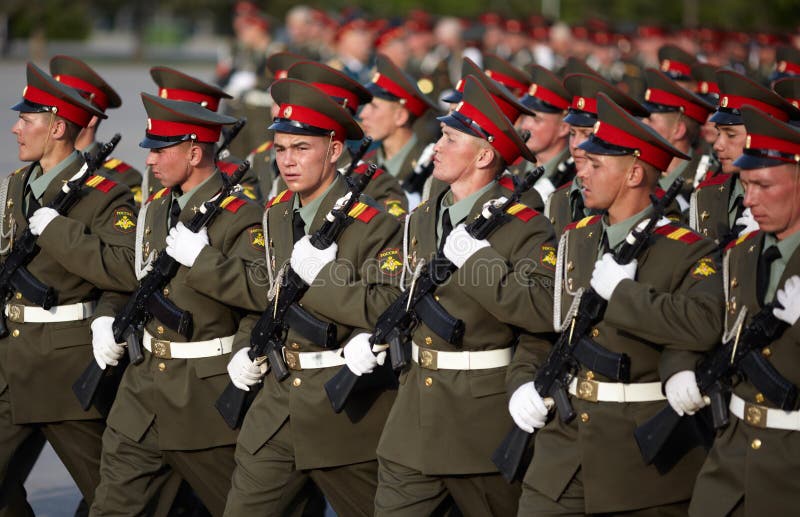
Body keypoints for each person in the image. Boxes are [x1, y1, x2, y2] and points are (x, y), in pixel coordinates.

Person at [515, 92, 724, 515]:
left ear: (632, 175)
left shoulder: (688, 250)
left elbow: (703, 326)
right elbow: (549, 325)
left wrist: (625, 295)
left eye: (595, 165)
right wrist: (521, 380)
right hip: (562, 452)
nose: (582, 171)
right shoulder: (578, 236)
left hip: (636, 459)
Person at [373, 75, 556, 517]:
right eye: (440, 135)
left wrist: (475, 261)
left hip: (480, 422)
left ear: (484, 154)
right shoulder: (422, 217)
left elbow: (544, 310)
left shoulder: (525, 226)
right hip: (413, 417)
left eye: (449, 138)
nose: (435, 145)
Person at [223, 79, 403, 517]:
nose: (287, 160)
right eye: (281, 148)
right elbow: (272, 298)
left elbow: (387, 306)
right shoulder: (278, 214)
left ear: (335, 150)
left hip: (342, 409)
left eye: (301, 148)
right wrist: (246, 344)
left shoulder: (374, 223)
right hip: (275, 407)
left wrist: (323, 275)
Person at [89, 93, 267, 516]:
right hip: (141, 393)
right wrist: (106, 316)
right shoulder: (155, 209)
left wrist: (204, 261)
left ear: (193, 151)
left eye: (160, 151)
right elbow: (137, 280)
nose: (149, 162)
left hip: (204, 395)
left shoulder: (241, 214)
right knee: (112, 506)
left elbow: (263, 295)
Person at [0, 62, 137, 514]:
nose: (16, 128)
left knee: (111, 496)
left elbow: (124, 271)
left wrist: (59, 230)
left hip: (67, 369)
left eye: (27, 120)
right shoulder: (14, 187)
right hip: (11, 364)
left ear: (57, 127)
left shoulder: (106, 194)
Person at [689, 107, 800, 517]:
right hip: (730, 466)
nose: (749, 199)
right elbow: (708, 319)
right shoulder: (743, 253)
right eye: (747, 184)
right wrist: (680, 367)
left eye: (764, 185)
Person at [689, 69, 800, 245]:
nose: (718, 145)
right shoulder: (706, 193)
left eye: (731, 135)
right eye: (718, 133)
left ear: (759, 134)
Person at [545, 72, 650, 236]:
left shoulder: (638, 196)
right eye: (572, 133)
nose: (575, 145)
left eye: (587, 135)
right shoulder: (558, 198)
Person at [49, 55, 144, 204]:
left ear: (91, 117)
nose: (50, 117)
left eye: (62, 110)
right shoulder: (40, 167)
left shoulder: (124, 179)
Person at [360, 53, 440, 206]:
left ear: (400, 116)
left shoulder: (431, 168)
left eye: (373, 107)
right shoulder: (364, 164)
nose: (363, 114)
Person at [642, 67, 716, 214]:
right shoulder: (640, 174)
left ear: (678, 130)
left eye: (650, 120)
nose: (643, 123)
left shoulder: (709, 180)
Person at [515, 64, 574, 202]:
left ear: (564, 128)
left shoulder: (572, 178)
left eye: (536, 120)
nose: (525, 125)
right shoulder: (514, 167)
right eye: (525, 117)